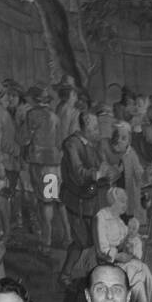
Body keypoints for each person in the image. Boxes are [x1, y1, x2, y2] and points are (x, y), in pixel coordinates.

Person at [60, 111, 112, 286]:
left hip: (93, 200)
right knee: (81, 241)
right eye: (94, 127)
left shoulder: (94, 142)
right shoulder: (71, 145)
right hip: (77, 201)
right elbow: (78, 174)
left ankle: (95, 276)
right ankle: (66, 275)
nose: (97, 131)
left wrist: (106, 171)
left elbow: (101, 164)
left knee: (97, 238)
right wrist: (98, 174)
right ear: (85, 128)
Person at [22, 86, 64, 253]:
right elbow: (60, 143)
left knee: (42, 201)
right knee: (50, 201)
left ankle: (45, 241)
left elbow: (23, 138)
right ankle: (49, 239)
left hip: (37, 164)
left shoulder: (31, 115)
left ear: (34, 100)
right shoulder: (55, 117)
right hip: (54, 165)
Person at [0, 78, 21, 244]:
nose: (8, 98)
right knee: (2, 198)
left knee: (5, 197)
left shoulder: (1, 112)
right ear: (0, 97)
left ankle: (3, 231)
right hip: (3, 163)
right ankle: (4, 233)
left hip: (9, 162)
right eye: (6, 95)